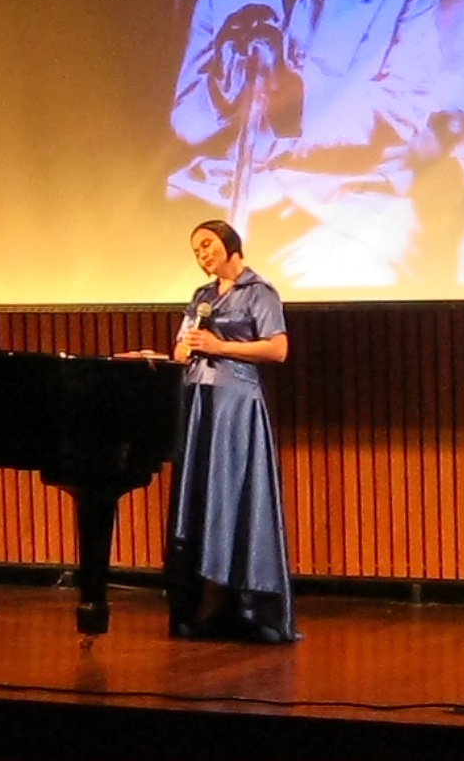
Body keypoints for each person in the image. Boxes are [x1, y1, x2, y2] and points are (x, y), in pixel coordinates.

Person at [167, 0, 444, 287]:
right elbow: (186, 124)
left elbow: (407, 104)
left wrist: (297, 102)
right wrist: (222, 85)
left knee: (340, 277)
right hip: (230, 196)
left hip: (349, 197)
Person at [166, 219, 297, 643]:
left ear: (228, 244)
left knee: (233, 494)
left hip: (236, 404)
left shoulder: (259, 292)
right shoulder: (202, 297)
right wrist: (186, 348)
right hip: (200, 403)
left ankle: (247, 604)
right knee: (203, 495)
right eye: (195, 250)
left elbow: (277, 349)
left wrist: (221, 347)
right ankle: (202, 599)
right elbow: (182, 346)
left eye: (206, 245)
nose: (202, 255)